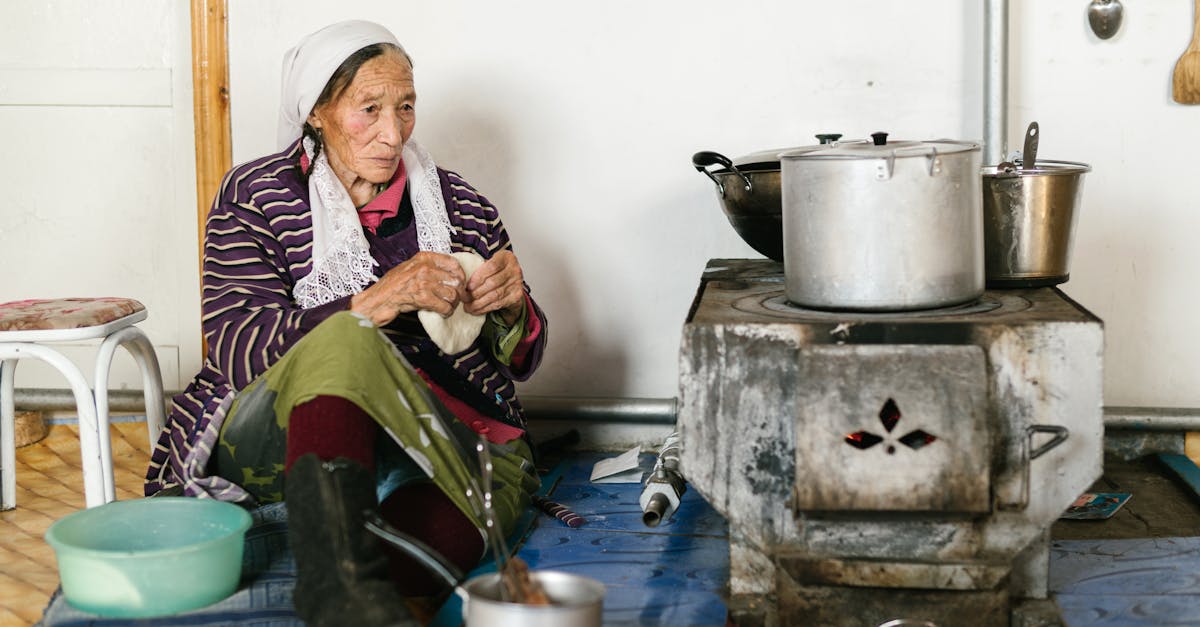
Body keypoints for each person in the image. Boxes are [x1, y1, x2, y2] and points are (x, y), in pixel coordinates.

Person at [144, 19, 547, 626]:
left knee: (499, 482)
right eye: (369, 109)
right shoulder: (255, 197)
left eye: (405, 107)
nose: (393, 133)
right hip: (276, 428)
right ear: (317, 113)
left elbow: (522, 365)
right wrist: (373, 301)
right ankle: (335, 581)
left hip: (425, 428)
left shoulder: (459, 206)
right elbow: (236, 346)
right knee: (345, 338)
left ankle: (370, 601)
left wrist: (516, 306)